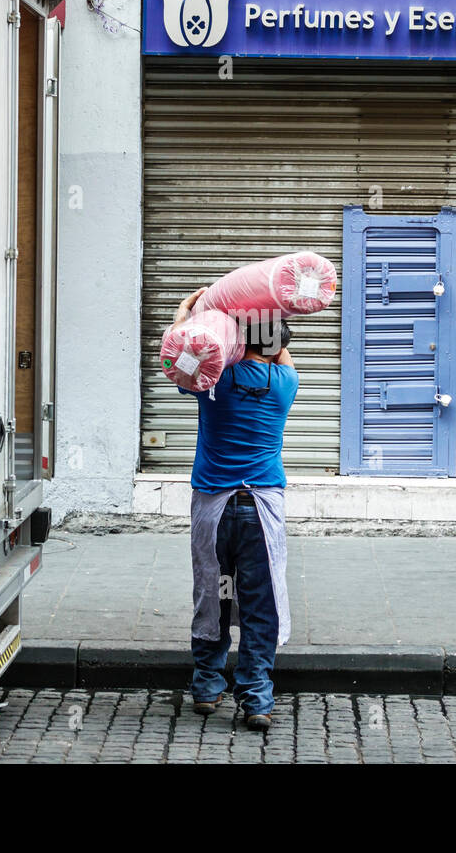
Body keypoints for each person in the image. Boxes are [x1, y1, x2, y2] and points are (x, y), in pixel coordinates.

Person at [173, 287, 298, 732]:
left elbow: (177, 360)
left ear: (238, 343)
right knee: (260, 603)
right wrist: (270, 333)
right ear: (279, 346)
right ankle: (256, 698)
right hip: (261, 510)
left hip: (213, 510)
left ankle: (207, 686)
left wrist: (189, 313)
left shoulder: (214, 382)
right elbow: (280, 358)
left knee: (214, 595)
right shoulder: (285, 385)